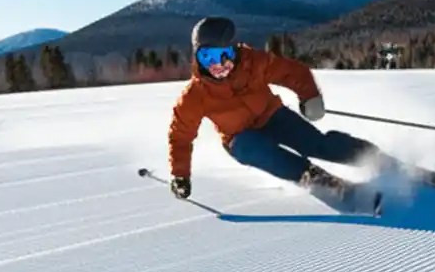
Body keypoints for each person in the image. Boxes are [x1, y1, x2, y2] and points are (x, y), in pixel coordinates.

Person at [166, 16, 398, 208]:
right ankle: (316, 178)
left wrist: (310, 97)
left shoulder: (253, 62)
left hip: (272, 116)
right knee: (257, 150)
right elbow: (180, 137)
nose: (218, 65)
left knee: (316, 144)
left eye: (225, 54)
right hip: (240, 137)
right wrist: (180, 175)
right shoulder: (194, 96)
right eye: (208, 57)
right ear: (197, 57)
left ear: (235, 50)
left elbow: (293, 72)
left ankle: (372, 157)